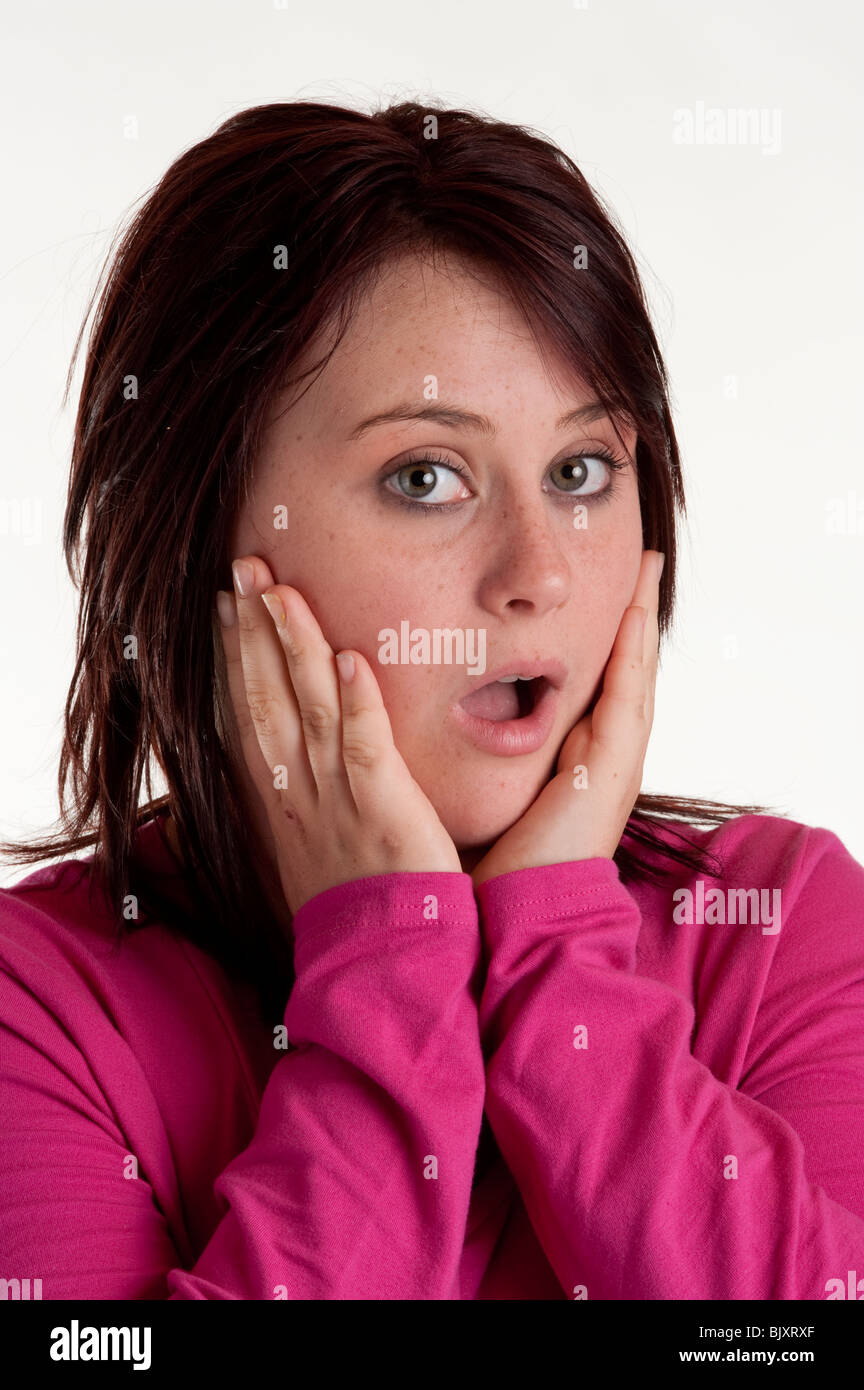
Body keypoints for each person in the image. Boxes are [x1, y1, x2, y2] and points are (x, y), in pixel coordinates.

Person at [1, 98, 862, 1302]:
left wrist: (557, 953)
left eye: (582, 470)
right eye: (425, 476)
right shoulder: (37, 1008)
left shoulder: (777, 929)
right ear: (204, 531)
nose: (542, 573)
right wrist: (383, 970)